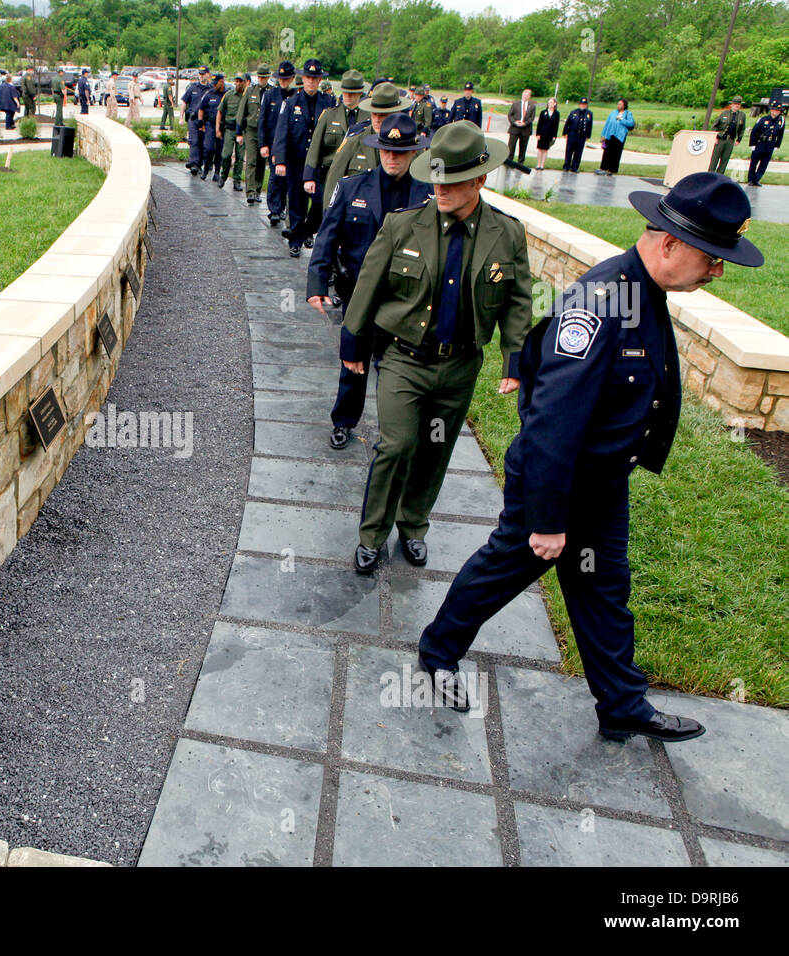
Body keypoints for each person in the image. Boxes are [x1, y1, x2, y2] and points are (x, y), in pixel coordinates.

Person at [417, 172, 762, 741]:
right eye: (713, 257)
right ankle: (437, 652)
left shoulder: (644, 290)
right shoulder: (600, 303)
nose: (717, 270)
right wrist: (550, 520)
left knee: (603, 588)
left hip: (600, 482)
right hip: (559, 483)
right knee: (506, 568)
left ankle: (622, 704)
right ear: (670, 243)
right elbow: (553, 420)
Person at [343, 121, 532, 575]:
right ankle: (372, 534)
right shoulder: (402, 225)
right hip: (405, 359)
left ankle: (413, 526)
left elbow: (518, 299)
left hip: (461, 364)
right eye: (436, 177)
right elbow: (366, 290)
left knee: (435, 448)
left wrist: (515, 360)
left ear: (480, 180)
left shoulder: (507, 234)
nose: (440, 188)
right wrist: (353, 345)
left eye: (452, 181)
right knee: (397, 444)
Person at [309, 112, 432, 450]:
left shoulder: (427, 196)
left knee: (399, 369)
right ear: (378, 150)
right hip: (359, 295)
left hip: (405, 299)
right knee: (354, 362)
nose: (393, 157)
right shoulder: (352, 187)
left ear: (413, 153)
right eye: (387, 151)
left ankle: (396, 433)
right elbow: (326, 238)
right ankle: (344, 422)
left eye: (401, 152)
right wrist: (316, 285)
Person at [272, 58, 336, 257]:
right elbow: (281, 132)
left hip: (318, 164)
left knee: (320, 202)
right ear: (303, 78)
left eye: (315, 78)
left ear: (319, 81)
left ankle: (307, 230)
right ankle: (296, 241)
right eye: (308, 78)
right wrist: (280, 160)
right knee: (297, 202)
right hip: (296, 160)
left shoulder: (328, 103)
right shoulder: (291, 102)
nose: (311, 82)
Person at [321, 79, 409, 210]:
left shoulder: (411, 147)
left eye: (384, 115)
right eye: (374, 113)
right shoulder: (354, 142)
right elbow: (333, 186)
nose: (378, 119)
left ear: (397, 113)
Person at [303, 70, 367, 207]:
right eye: (345, 92)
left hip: (357, 176)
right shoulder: (329, 115)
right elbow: (315, 147)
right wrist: (309, 177)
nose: (348, 96)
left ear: (360, 93)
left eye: (352, 92)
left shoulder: (368, 119)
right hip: (329, 176)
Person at [259, 61, 295, 226]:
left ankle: (281, 208)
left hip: (292, 146)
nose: (283, 81)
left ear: (292, 78)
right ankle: (274, 209)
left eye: (286, 78)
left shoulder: (296, 97)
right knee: (275, 177)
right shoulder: (270, 95)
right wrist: (263, 144)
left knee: (288, 179)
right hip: (274, 144)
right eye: (281, 78)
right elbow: (262, 122)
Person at [235, 65, 270, 204]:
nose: (262, 79)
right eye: (260, 76)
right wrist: (239, 133)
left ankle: (257, 190)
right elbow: (241, 112)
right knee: (251, 161)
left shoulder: (271, 92)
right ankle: (250, 191)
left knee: (262, 163)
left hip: (265, 132)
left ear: (268, 77)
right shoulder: (250, 91)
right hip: (251, 130)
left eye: (264, 77)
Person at [216, 73, 246, 189]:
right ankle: (223, 175)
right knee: (226, 154)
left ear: (244, 82)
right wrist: (217, 129)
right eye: (236, 81)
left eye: (240, 81)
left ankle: (237, 180)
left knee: (239, 156)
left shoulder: (247, 96)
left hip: (242, 130)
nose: (238, 83)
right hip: (230, 129)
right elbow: (220, 111)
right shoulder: (228, 95)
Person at [196, 73, 226, 181]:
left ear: (221, 82)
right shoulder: (209, 94)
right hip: (210, 124)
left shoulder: (226, 95)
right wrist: (200, 122)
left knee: (219, 149)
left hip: (222, 126)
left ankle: (217, 172)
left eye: (216, 83)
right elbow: (201, 108)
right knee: (209, 147)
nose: (213, 85)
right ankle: (206, 168)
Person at [747, 101, 784, 186]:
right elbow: (754, 131)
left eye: (778, 110)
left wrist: (777, 145)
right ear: (771, 110)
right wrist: (752, 144)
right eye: (775, 110)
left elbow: (780, 135)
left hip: (770, 145)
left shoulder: (781, 121)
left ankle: (757, 180)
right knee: (754, 163)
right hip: (760, 143)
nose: (776, 112)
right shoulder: (763, 119)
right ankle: (750, 179)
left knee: (764, 164)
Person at [709, 96, 746, 176]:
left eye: (739, 104)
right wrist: (714, 137)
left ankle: (719, 177)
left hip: (730, 140)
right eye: (735, 104)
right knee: (714, 159)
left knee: (724, 160)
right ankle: (710, 176)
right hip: (720, 139)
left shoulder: (742, 115)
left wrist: (738, 139)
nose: (737, 106)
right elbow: (714, 126)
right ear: (731, 104)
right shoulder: (724, 113)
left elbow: (742, 129)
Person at [182, 67, 210, 173]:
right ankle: (194, 163)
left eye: (203, 74)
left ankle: (199, 163)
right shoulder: (193, 88)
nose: (201, 76)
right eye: (200, 74)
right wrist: (181, 117)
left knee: (204, 142)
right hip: (193, 118)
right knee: (194, 141)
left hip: (204, 120)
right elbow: (184, 102)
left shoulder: (210, 89)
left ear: (208, 75)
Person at [598, 98, 634, 175]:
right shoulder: (613, 113)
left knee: (616, 153)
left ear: (624, 105)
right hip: (610, 135)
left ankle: (612, 170)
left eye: (620, 104)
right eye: (618, 104)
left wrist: (621, 119)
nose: (618, 105)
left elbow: (631, 123)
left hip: (619, 136)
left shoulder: (628, 114)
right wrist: (603, 135)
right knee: (607, 152)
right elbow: (607, 123)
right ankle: (603, 168)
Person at [562, 96, 593, 172]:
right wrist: (565, 132)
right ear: (579, 104)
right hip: (572, 134)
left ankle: (575, 167)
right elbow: (568, 122)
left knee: (578, 152)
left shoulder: (589, 114)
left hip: (582, 136)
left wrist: (588, 135)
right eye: (582, 104)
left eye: (584, 104)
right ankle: (566, 166)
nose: (583, 105)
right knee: (569, 150)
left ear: (586, 105)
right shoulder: (574, 112)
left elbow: (590, 125)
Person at [506, 87, 535, 164]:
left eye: (527, 94)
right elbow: (510, 115)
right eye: (524, 94)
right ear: (522, 95)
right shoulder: (516, 104)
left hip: (525, 129)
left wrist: (525, 123)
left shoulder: (532, 106)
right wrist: (515, 122)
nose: (525, 96)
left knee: (523, 147)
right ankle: (509, 162)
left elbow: (532, 118)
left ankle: (520, 163)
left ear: (529, 96)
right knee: (511, 147)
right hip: (515, 128)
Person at [533, 97, 559, 170]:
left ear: (555, 103)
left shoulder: (557, 114)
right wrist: (537, 134)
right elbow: (539, 124)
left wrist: (554, 135)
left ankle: (542, 165)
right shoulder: (543, 112)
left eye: (551, 102)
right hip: (542, 133)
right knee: (540, 149)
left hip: (550, 134)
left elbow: (556, 125)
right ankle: (538, 164)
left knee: (545, 149)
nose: (549, 104)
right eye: (549, 102)